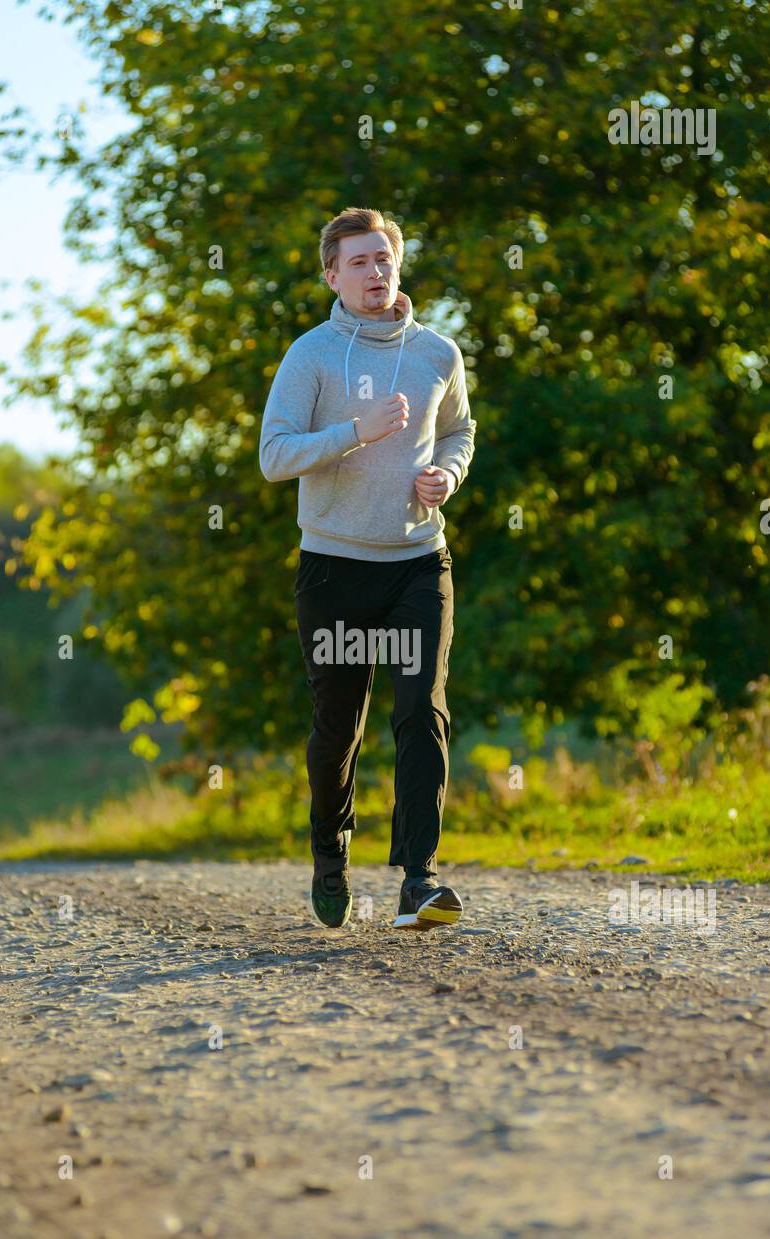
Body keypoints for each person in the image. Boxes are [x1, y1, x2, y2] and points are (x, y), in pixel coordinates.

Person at [259, 207, 476, 929]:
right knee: (337, 727)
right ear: (332, 275)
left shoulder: (438, 352)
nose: (374, 273)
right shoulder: (312, 355)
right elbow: (274, 456)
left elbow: (458, 430)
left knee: (422, 711)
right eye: (357, 262)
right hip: (333, 569)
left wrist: (446, 472)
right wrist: (356, 432)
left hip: (417, 562)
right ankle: (331, 851)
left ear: (398, 266)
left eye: (383, 259)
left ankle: (419, 879)